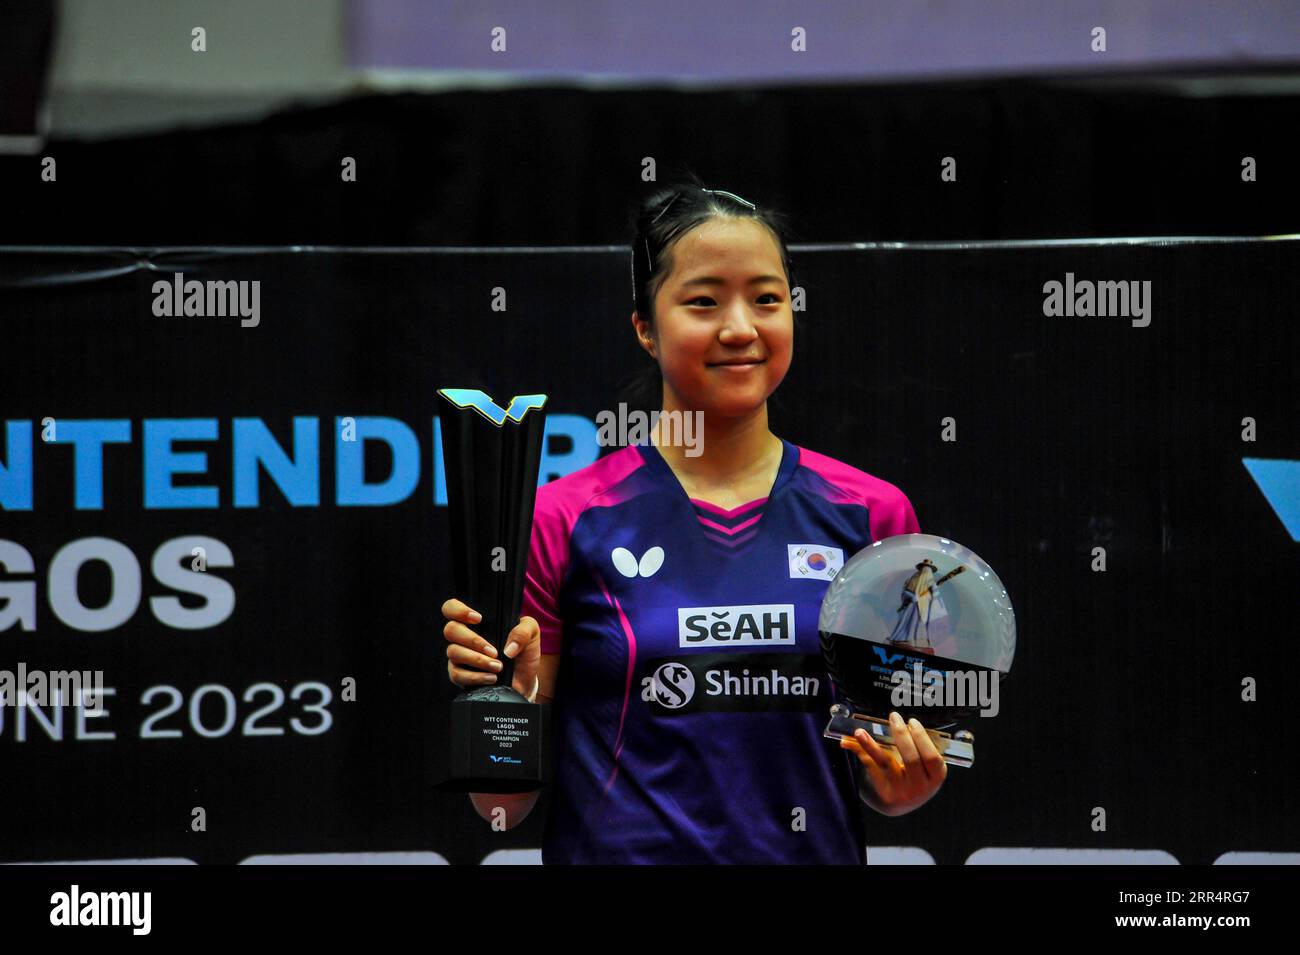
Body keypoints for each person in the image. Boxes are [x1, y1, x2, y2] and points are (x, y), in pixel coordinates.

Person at [441, 172, 948, 864]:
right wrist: (505, 696)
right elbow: (502, 806)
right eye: (704, 302)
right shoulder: (564, 517)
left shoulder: (871, 513)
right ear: (646, 328)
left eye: (767, 299)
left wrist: (903, 783)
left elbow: (882, 772)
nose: (741, 328)